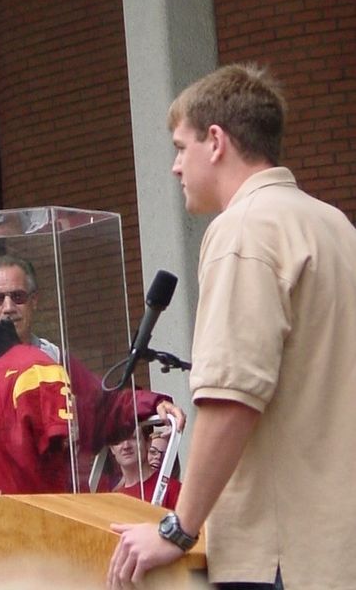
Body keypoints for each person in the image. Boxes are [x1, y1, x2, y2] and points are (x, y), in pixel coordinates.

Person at [107, 62, 356, 590]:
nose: (175, 166)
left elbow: (232, 398)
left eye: (180, 146)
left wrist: (178, 528)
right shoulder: (333, 225)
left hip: (277, 555)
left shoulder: (243, 229)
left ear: (215, 140)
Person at [0, 255, 185, 498]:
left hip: (44, 514)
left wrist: (150, 403)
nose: (8, 308)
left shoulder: (52, 359)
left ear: (34, 300)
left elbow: (100, 405)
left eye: (18, 297)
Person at [110, 426, 181, 509]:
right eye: (119, 440)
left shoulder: (171, 489)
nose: (126, 446)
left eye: (134, 438)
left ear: (148, 443)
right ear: (112, 449)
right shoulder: (113, 497)